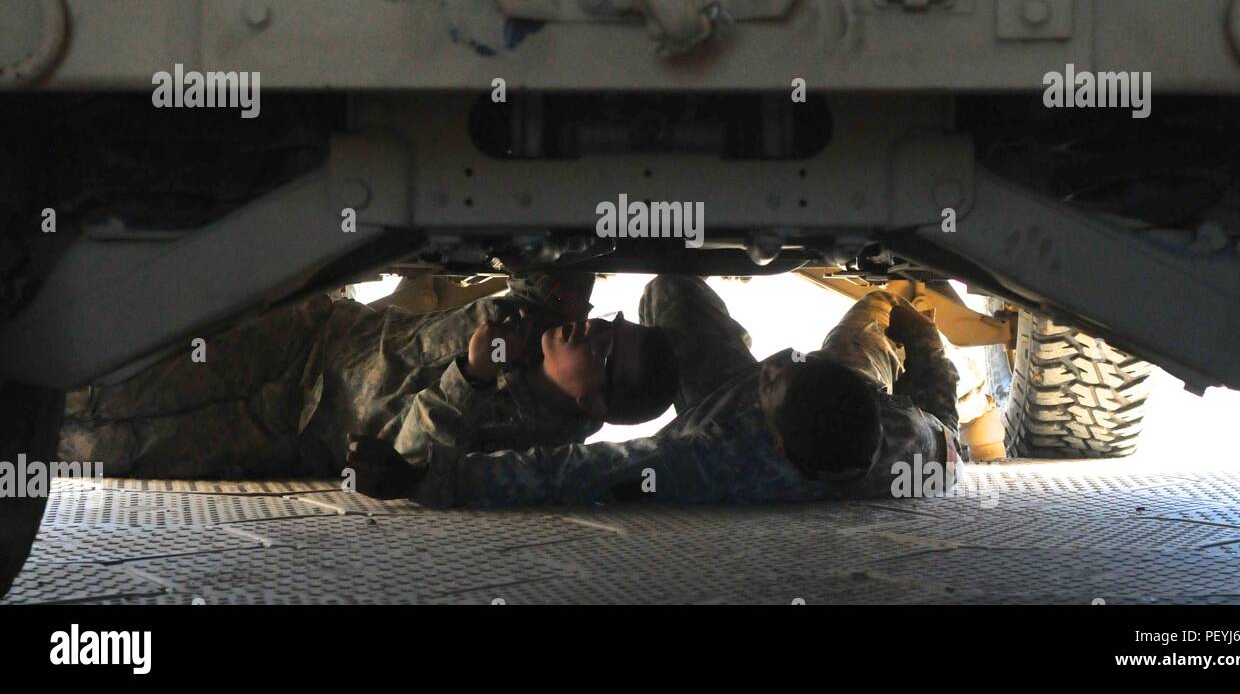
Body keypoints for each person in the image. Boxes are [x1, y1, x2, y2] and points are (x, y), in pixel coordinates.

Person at [347, 274, 960, 506]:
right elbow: (908, 412)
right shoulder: (888, 430)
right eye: (788, 364)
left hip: (774, 404)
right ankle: (888, 303)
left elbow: (576, 473)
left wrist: (427, 480)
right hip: (845, 399)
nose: (773, 362)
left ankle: (887, 304)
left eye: (776, 377)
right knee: (675, 286)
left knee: (856, 346)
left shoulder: (716, 460)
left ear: (768, 432)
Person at [58, 273, 679, 480]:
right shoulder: (543, 313)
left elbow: (410, 460)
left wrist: (472, 375)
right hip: (306, 340)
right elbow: (555, 223)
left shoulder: (532, 446)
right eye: (609, 325)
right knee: (116, 376)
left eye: (602, 353)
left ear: (592, 405)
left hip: (290, 430)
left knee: (109, 449)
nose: (593, 332)